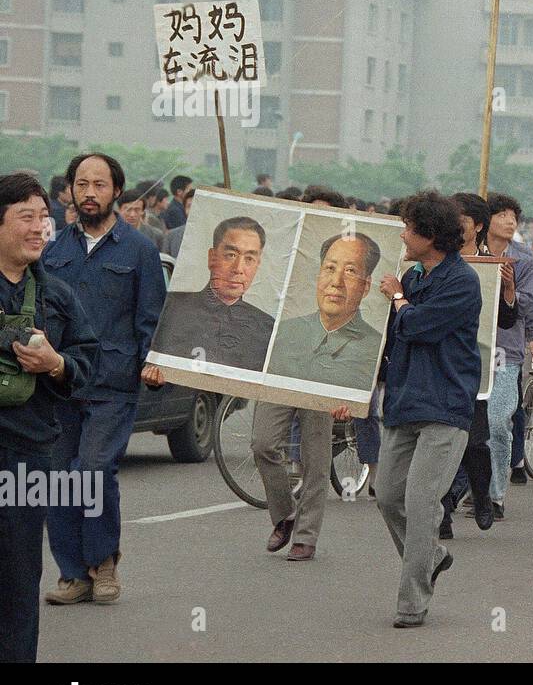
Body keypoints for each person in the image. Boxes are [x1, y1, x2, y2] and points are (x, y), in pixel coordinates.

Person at [335, 191, 481, 628]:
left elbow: (418, 326)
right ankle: (430, 557)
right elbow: (386, 342)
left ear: (430, 235)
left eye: (409, 228)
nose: (403, 234)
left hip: (445, 407)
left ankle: (411, 602)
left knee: (420, 502)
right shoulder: (413, 277)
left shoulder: (460, 281)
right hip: (403, 403)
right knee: (389, 497)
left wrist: (398, 298)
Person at [41, 153, 166, 606]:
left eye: (99, 184)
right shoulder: (53, 250)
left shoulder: (140, 251)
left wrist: (154, 365)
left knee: (92, 471)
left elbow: (152, 318)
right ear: (70, 190)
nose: (89, 192)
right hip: (58, 382)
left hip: (113, 382)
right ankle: (72, 574)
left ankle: (103, 560)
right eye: (81, 183)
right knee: (58, 477)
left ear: (117, 190)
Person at [0, 174, 97, 662]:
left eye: (45, 218)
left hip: (28, 455)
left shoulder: (57, 295)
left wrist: (56, 364)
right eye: (26, 217)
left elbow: (89, 365)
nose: (40, 228)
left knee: (18, 580)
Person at [250, 189, 348, 562]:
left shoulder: (346, 265)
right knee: (263, 443)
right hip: (280, 363)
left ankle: (307, 535)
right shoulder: (280, 257)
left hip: (325, 367)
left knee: (316, 457)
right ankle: (284, 513)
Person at [439, 192, 515, 538]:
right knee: (438, 440)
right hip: (438, 362)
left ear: (478, 225)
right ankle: (441, 514)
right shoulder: (437, 260)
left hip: (477, 364)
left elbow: (508, 320)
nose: (454, 224)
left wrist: (508, 291)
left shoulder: (493, 266)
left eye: (462, 218)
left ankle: (482, 495)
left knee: (474, 441)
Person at [482, 192, 533, 515]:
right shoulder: (470, 252)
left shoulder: (524, 260)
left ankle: (496, 492)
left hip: (507, 348)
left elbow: (529, 302)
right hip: (471, 346)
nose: (509, 221)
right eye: (502, 214)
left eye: (513, 216)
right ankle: (467, 487)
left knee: (498, 420)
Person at [150, 215, 276, 370]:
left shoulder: (266, 327)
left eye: (249, 258)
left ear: (257, 265)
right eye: (231, 255)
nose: (238, 268)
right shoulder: (173, 307)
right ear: (212, 257)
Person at [266, 232, 384, 388]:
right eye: (330, 268)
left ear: (366, 286)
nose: (336, 282)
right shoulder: (283, 332)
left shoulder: (375, 348)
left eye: (350, 271)